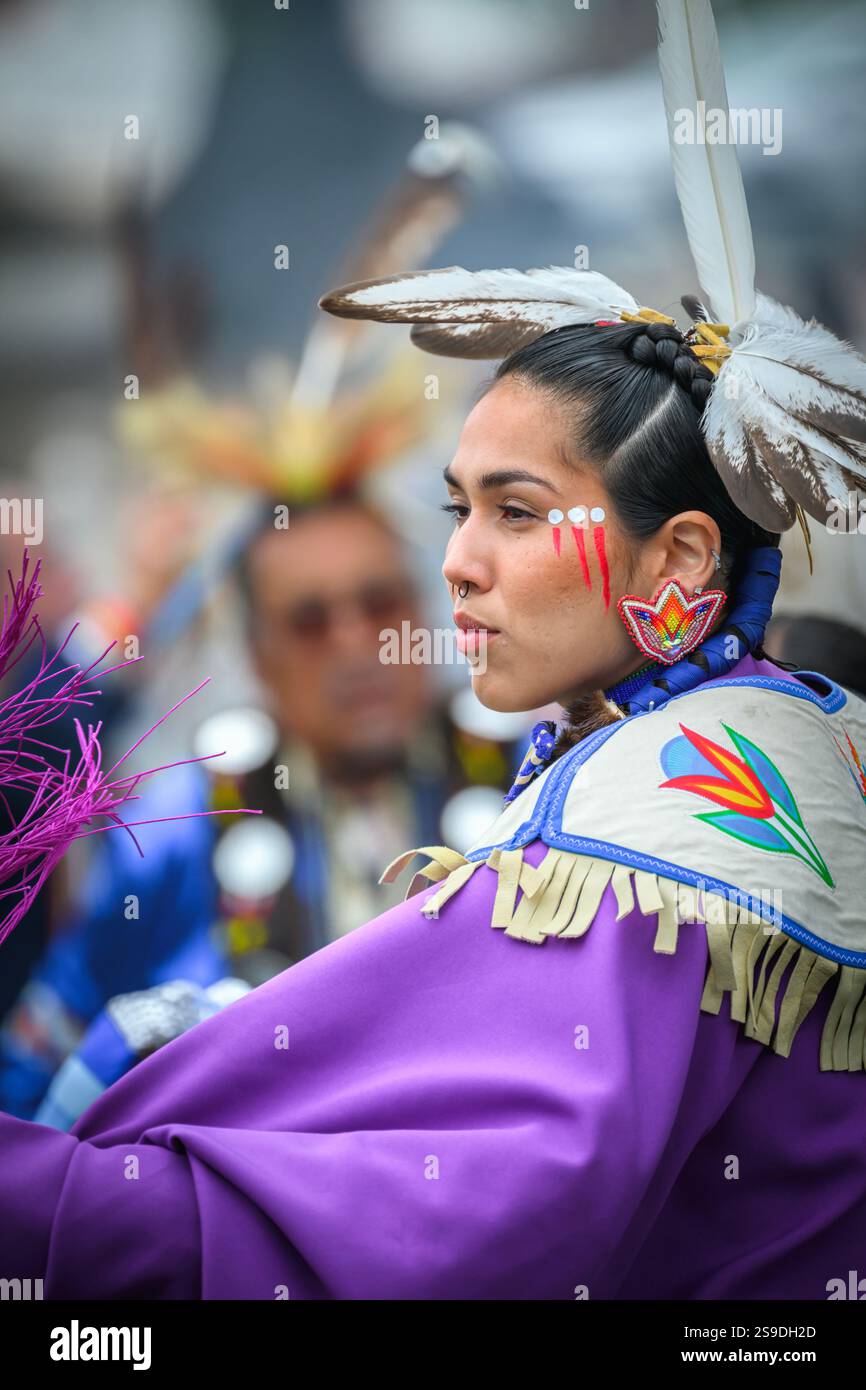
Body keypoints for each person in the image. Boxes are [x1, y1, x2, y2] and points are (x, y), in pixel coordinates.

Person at [2, 0, 866, 1299]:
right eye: (458, 511)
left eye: (517, 513)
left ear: (680, 564)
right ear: (253, 643)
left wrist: (61, 1204)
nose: (453, 565)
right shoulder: (725, 740)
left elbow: (473, 1221)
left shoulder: (661, 827)